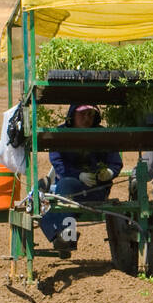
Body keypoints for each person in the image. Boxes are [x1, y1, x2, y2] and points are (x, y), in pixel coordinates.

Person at [41, 104, 122, 254]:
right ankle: (64, 236)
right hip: (67, 189)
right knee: (46, 196)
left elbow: (115, 161)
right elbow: (57, 161)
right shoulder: (60, 133)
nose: (87, 118)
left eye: (91, 115)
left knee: (60, 192)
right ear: (72, 115)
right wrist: (77, 175)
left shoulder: (103, 135)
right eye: (83, 114)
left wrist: (109, 173)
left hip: (95, 190)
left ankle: (64, 236)